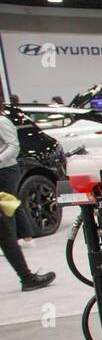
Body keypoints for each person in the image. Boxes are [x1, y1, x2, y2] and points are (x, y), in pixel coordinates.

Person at [0, 109, 55, 291]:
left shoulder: (2, 121)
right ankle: (27, 277)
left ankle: (27, 275)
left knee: (7, 218)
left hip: (5, 172)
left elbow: (13, 146)